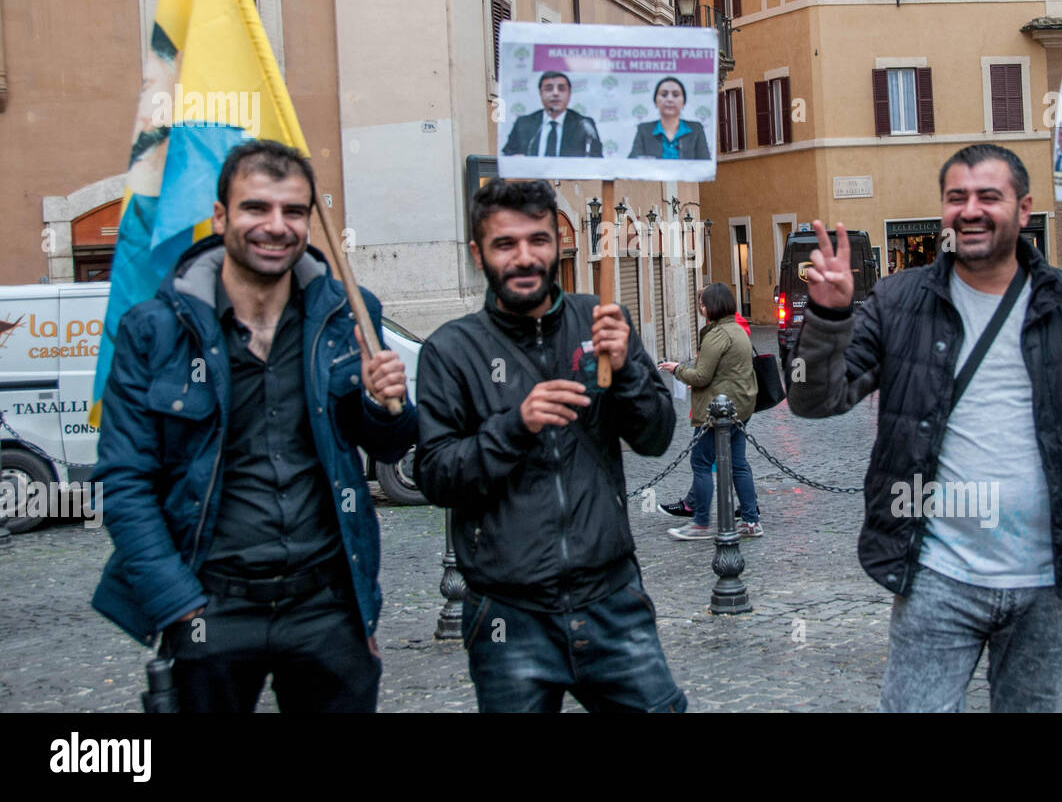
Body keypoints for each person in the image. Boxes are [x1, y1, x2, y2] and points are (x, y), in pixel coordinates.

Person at [786, 143, 1062, 713]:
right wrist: (829, 317)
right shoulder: (899, 301)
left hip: (1050, 579)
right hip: (936, 576)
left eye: (989, 196)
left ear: (1023, 208)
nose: (971, 210)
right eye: (956, 197)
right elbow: (815, 401)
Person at [92, 141, 417, 713]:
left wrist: (383, 401)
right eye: (256, 208)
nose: (276, 226)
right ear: (220, 218)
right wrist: (178, 606)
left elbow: (392, 442)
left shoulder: (347, 313)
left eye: (294, 211)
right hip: (211, 605)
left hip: (327, 607)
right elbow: (124, 481)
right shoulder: (154, 330)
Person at [415, 178, 684, 713]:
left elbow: (656, 437)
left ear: (558, 243)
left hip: (611, 599)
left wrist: (627, 363)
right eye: (504, 244)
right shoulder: (451, 350)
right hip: (508, 613)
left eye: (537, 240)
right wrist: (516, 425)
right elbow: (437, 474)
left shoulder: (602, 319)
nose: (523, 257)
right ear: (478, 254)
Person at [657, 284, 762, 540]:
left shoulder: (717, 335)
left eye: (703, 303)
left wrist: (676, 369)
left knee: (700, 462)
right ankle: (750, 520)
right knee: (738, 464)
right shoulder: (737, 330)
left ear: (712, 306)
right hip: (740, 407)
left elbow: (702, 376)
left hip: (719, 412)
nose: (701, 308)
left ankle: (700, 522)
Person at [502, 71, 603, 157]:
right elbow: (507, 155)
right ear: (540, 94)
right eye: (549, 88)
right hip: (532, 179)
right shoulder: (523, 124)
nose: (555, 93)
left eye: (561, 88)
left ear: (569, 94)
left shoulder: (583, 125)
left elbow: (596, 159)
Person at [628, 76, 711, 160]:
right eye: (664, 94)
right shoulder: (644, 129)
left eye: (675, 95)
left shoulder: (696, 129)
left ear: (684, 102)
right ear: (655, 101)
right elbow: (634, 163)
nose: (669, 99)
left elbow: (705, 163)